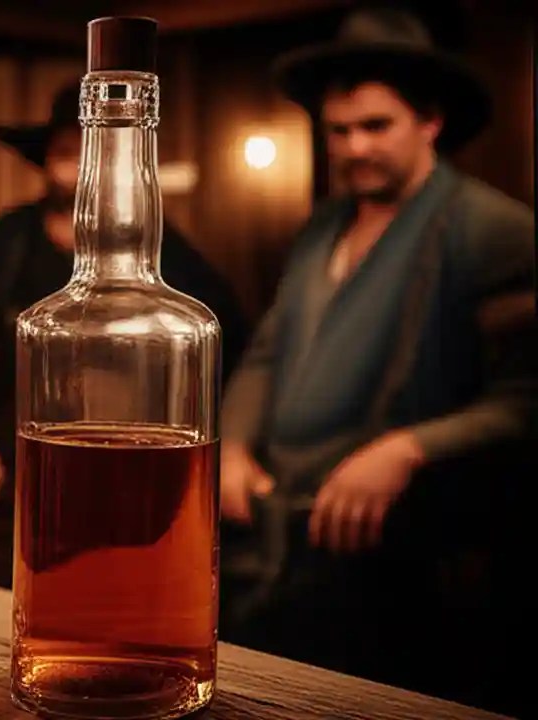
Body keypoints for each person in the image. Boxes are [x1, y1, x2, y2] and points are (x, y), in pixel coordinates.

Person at [218, 6, 535, 705]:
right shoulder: (320, 227)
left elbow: (526, 398)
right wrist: (234, 444)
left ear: (431, 122)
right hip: (283, 540)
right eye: (339, 130)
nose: (354, 147)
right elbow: (268, 352)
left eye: (376, 127)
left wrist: (407, 449)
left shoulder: (494, 230)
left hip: (410, 563)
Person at [0, 83, 250, 586]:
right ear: (46, 163)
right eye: (67, 154)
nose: (83, 167)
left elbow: (226, 333)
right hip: (20, 446)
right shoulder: (9, 239)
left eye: (94, 152)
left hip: (129, 453)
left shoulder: (159, 247)